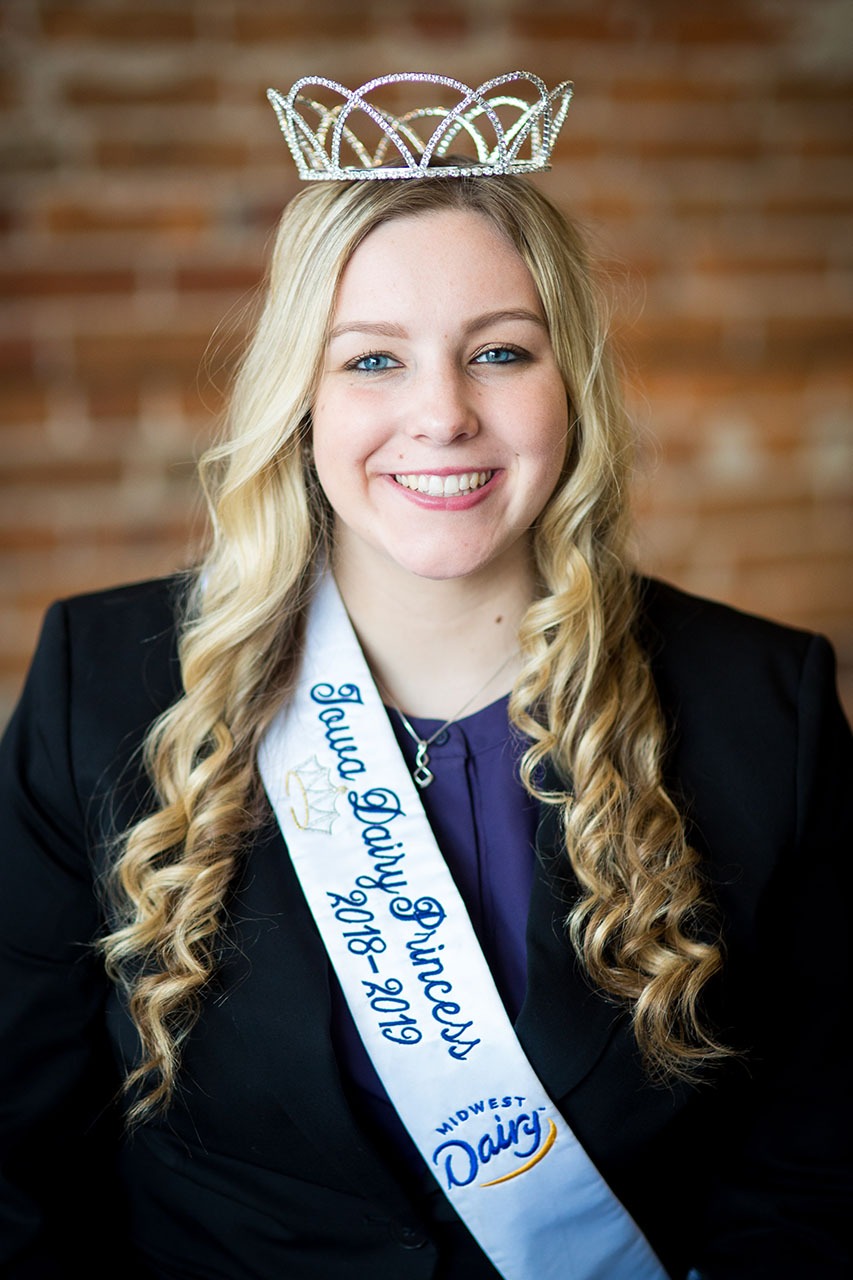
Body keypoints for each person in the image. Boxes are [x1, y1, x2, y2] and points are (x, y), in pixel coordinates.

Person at [0, 72, 850, 1280]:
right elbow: (17, 1163)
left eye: (498, 351)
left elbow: (814, 1168)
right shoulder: (105, 687)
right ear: (298, 397)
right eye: (373, 361)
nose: (442, 414)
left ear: (571, 389)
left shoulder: (767, 707)